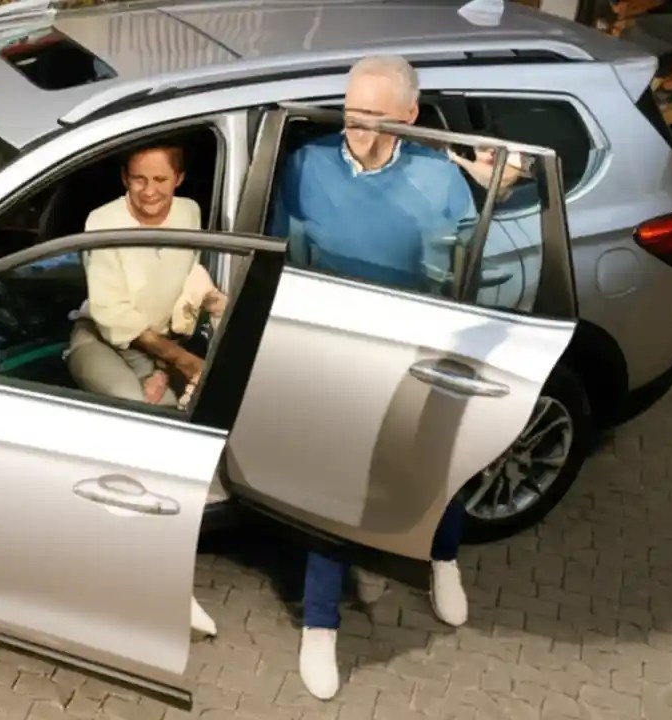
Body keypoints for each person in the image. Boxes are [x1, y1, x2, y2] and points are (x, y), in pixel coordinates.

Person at [266, 54, 478, 700]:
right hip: (334, 347)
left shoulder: (441, 178)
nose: (354, 125)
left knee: (441, 464)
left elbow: (469, 271)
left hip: (414, 346)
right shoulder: (307, 167)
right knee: (333, 487)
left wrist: (502, 186)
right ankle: (322, 626)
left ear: (409, 117)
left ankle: (442, 560)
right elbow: (279, 257)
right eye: (349, 110)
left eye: (372, 115)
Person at [65, 144, 226, 637]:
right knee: (140, 419)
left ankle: (152, 576)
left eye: (160, 180)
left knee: (180, 435)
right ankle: (143, 582)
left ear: (178, 180)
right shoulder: (102, 221)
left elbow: (186, 291)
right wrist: (171, 363)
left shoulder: (190, 213)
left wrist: (169, 362)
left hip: (159, 347)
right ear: (124, 178)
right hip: (100, 339)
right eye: (138, 180)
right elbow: (113, 316)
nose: (149, 192)